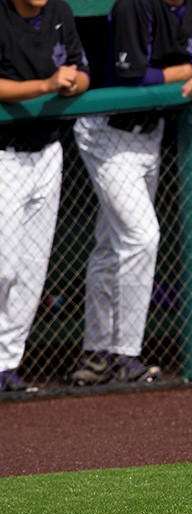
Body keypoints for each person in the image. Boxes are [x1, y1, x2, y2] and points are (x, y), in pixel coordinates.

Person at [70, 0, 192, 385]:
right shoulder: (132, 6)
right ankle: (125, 355)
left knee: (112, 244)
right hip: (108, 132)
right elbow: (133, 77)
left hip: (149, 135)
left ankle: (98, 351)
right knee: (141, 237)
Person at [0, 0, 90, 393]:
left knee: (32, 270)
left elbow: (83, 71)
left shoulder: (59, 12)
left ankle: (5, 364)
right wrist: (47, 85)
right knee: (3, 267)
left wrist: (73, 82)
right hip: (5, 154)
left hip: (48, 152)